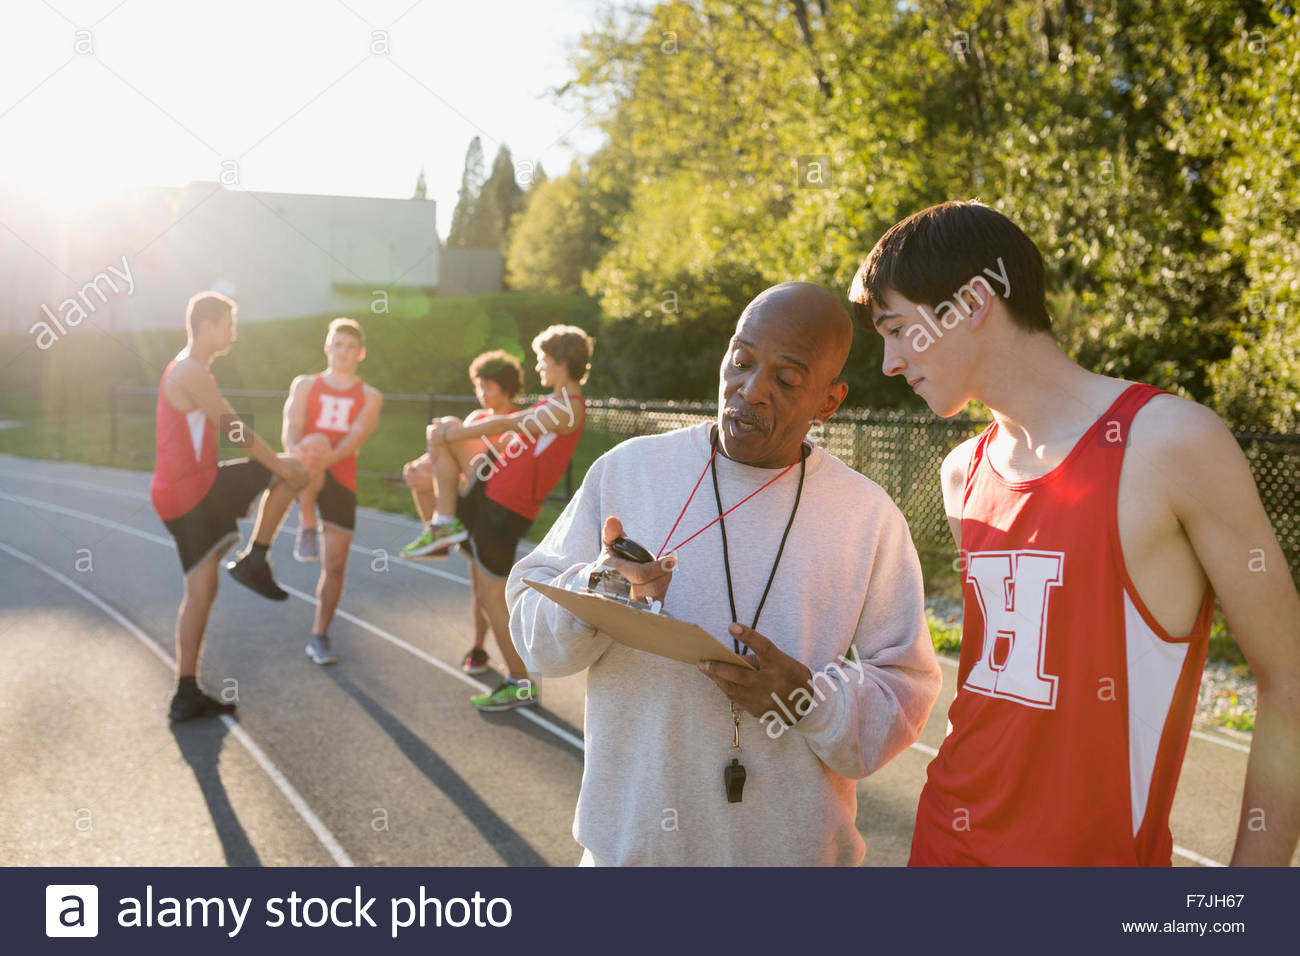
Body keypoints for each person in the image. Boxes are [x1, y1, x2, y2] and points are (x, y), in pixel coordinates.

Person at [850, 200, 1300, 866]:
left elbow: (1289, 676)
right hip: (944, 847)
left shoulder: (1172, 442)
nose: (888, 362)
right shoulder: (961, 472)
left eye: (896, 329)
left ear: (973, 302)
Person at [506, 284, 942, 865]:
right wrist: (601, 585)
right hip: (631, 857)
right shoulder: (628, 473)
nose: (751, 390)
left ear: (829, 403)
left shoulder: (867, 516)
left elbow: (905, 693)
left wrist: (808, 700)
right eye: (740, 361)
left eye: (787, 380)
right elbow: (533, 640)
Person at [150, 291, 309, 721]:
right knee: (295, 468)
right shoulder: (190, 372)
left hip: (182, 492)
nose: (233, 335)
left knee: (202, 591)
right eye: (229, 325)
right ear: (207, 325)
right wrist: (281, 469)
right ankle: (255, 558)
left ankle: (185, 691)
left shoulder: (188, 369)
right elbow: (235, 430)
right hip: (192, 492)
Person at [422, 326, 593, 711]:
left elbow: (505, 425)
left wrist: (457, 433)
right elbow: (508, 439)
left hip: (507, 507)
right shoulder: (555, 403)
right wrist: (454, 436)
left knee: (491, 596)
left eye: (544, 360)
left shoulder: (568, 407)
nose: (539, 366)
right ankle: (444, 520)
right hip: (494, 492)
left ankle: (519, 683)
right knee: (444, 430)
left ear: (562, 363)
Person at [400, 350, 525, 675]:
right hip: (465, 498)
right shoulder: (475, 419)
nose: (483, 393)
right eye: (479, 385)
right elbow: (450, 458)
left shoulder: (517, 422)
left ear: (507, 386)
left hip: (492, 506)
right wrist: (421, 463)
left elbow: (494, 466)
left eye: (490, 386)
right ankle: (438, 533)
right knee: (477, 588)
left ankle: (513, 665)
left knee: (489, 593)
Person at [270, 317, 383, 665]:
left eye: (351, 347)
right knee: (312, 444)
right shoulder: (305, 385)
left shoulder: (369, 396)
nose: (343, 352)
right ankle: (306, 524)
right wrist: (298, 455)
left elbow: (356, 438)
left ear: (360, 353)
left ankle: (319, 634)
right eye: (338, 344)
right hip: (305, 467)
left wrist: (323, 458)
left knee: (335, 565)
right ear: (327, 347)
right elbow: (291, 429)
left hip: (340, 475)